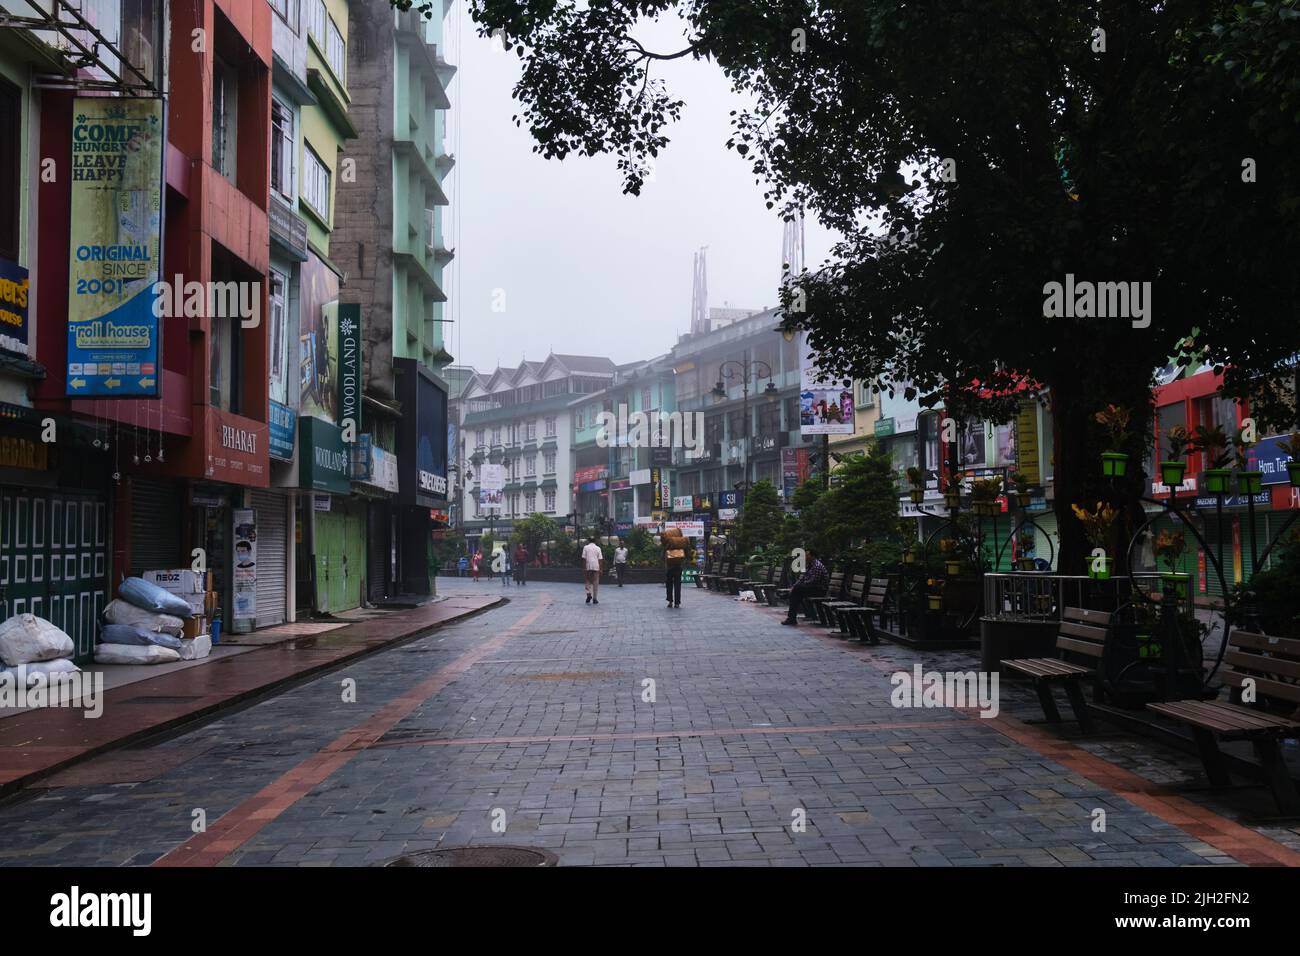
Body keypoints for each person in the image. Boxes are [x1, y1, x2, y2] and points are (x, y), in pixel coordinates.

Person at [782, 548, 829, 625]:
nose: (805, 557)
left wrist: (799, 586)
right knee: (796, 593)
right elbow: (802, 578)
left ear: (812, 556)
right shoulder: (810, 565)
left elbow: (813, 581)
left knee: (796, 592)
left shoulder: (817, 566)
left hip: (819, 590)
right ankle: (792, 618)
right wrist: (794, 586)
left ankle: (791, 617)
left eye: (807, 555)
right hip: (812, 588)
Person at [661, 526, 690, 608]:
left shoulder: (668, 543)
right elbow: (687, 553)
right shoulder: (681, 544)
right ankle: (677, 603)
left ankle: (670, 601)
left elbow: (663, 554)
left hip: (669, 566)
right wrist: (686, 560)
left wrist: (664, 560)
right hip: (678, 566)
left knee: (669, 584)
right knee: (677, 585)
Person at [581, 536, 604, 604]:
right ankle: (595, 598)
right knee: (595, 582)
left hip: (588, 566)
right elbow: (600, 559)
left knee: (587, 581)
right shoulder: (598, 548)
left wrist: (584, 568)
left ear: (589, 541)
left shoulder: (585, 547)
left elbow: (584, 558)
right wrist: (601, 569)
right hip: (596, 566)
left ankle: (588, 594)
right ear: (595, 541)